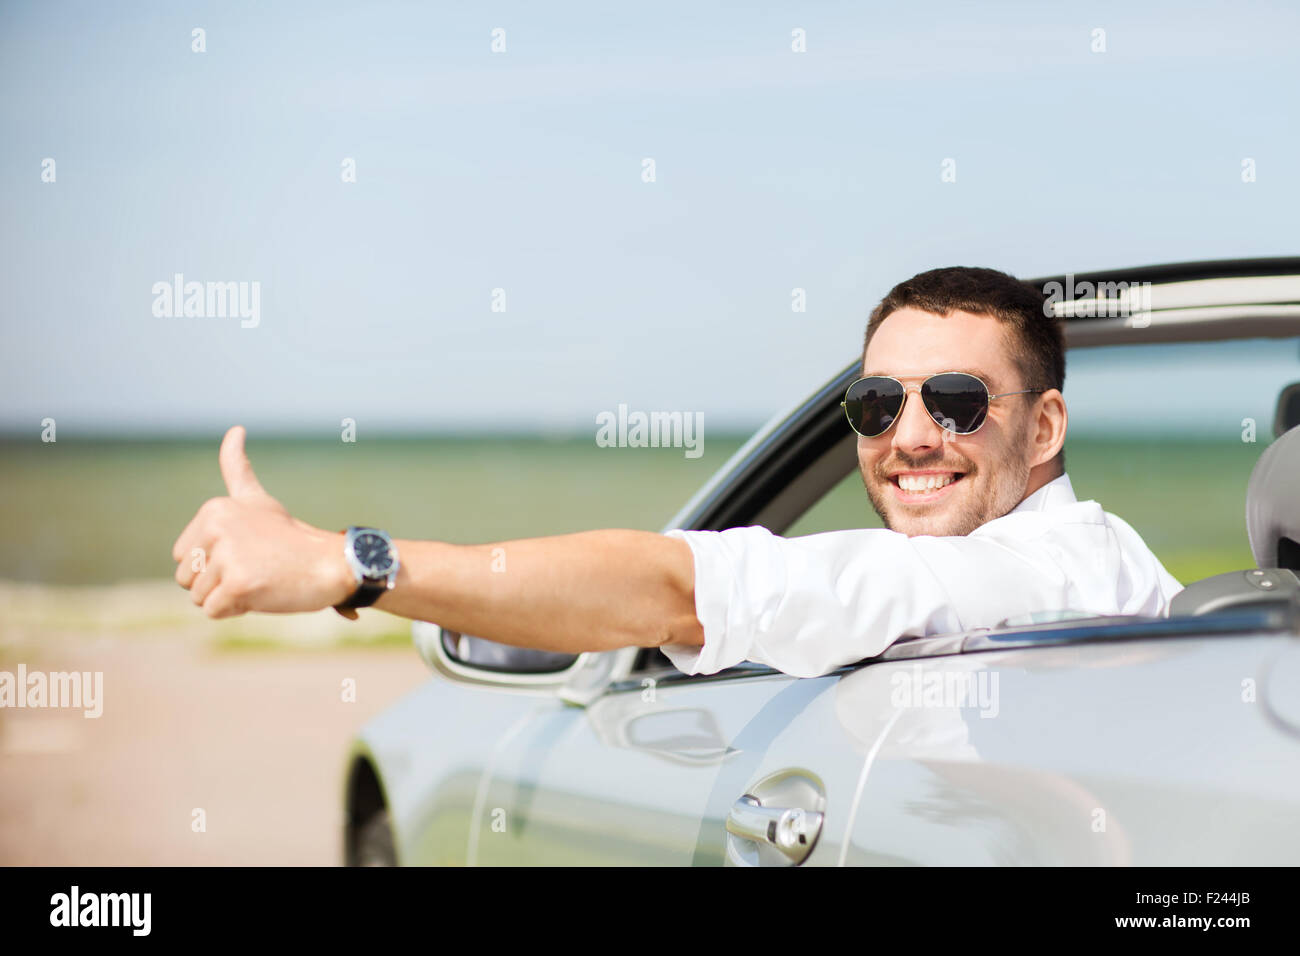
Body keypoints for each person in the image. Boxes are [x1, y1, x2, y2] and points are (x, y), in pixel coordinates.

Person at [172, 266, 1183, 678]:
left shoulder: (1038, 574)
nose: (909, 434)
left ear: (1044, 424)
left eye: (956, 399)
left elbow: (675, 589)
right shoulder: (1099, 563)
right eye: (878, 404)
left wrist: (349, 561)